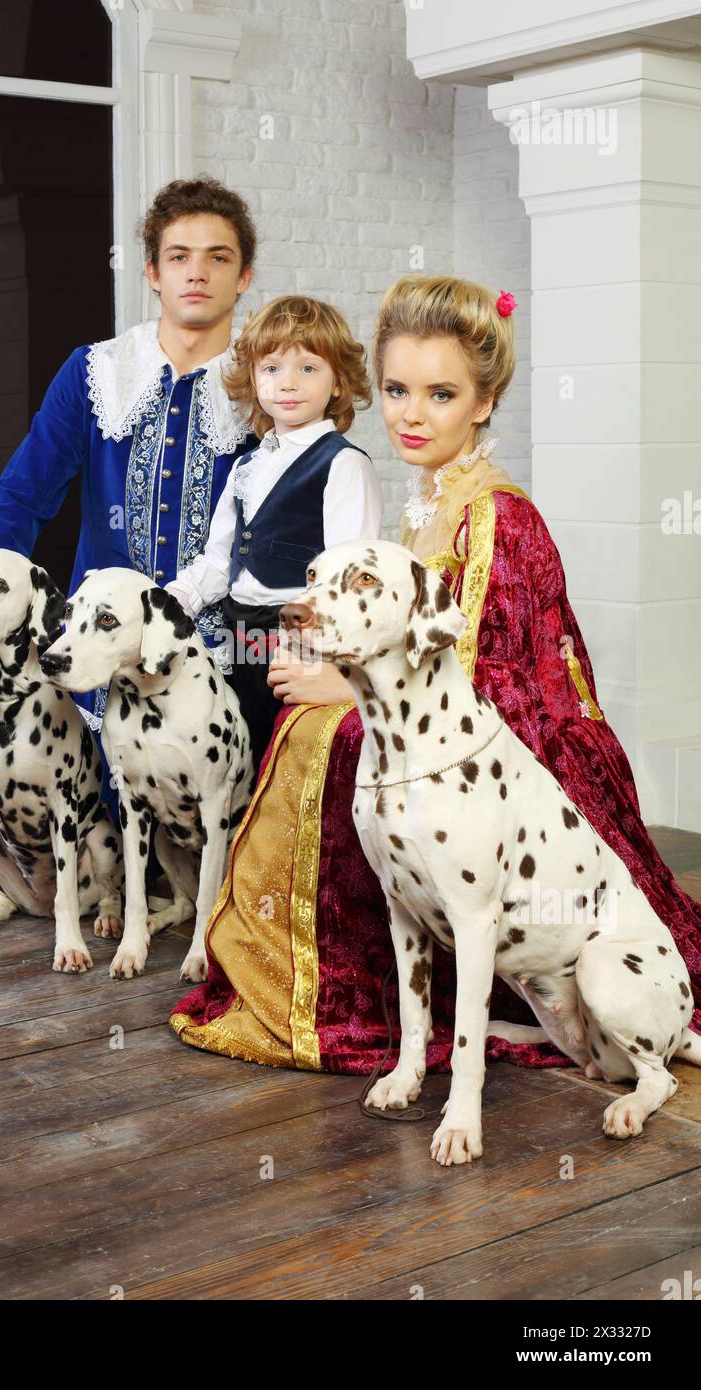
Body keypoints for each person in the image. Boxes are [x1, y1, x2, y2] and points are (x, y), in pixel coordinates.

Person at [170, 273, 701, 1075]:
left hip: (496, 746)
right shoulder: (427, 499)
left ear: (484, 402)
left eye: (440, 394)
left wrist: (344, 688)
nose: (411, 415)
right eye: (395, 389)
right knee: (310, 729)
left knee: (332, 741)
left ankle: (341, 991)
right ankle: (309, 973)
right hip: (422, 720)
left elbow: (492, 670)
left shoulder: (496, 512)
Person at [0, 177, 260, 814]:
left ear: (244, 276)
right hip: (95, 669)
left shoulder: (271, 381)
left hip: (221, 667)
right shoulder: (96, 372)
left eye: (219, 257)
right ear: (152, 272)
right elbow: (20, 496)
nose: (198, 273)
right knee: (104, 852)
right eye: (179, 256)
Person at [165, 295, 381, 769]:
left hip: (301, 639)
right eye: (271, 368)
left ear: (339, 382)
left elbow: (349, 579)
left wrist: (326, 654)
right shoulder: (246, 465)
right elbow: (220, 560)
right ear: (253, 379)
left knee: (295, 762)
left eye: (308, 369)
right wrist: (174, 598)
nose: (287, 384)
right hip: (241, 631)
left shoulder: (343, 464)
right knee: (245, 757)